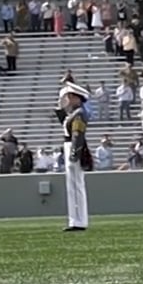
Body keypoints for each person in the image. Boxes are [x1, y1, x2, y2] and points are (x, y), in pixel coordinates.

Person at [58, 82, 91, 232]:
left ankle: (78, 220)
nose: (67, 99)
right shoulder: (74, 113)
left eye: (70, 97)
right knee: (72, 185)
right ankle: (76, 219)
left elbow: (77, 134)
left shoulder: (79, 114)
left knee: (75, 185)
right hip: (69, 145)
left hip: (73, 146)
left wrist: (74, 153)